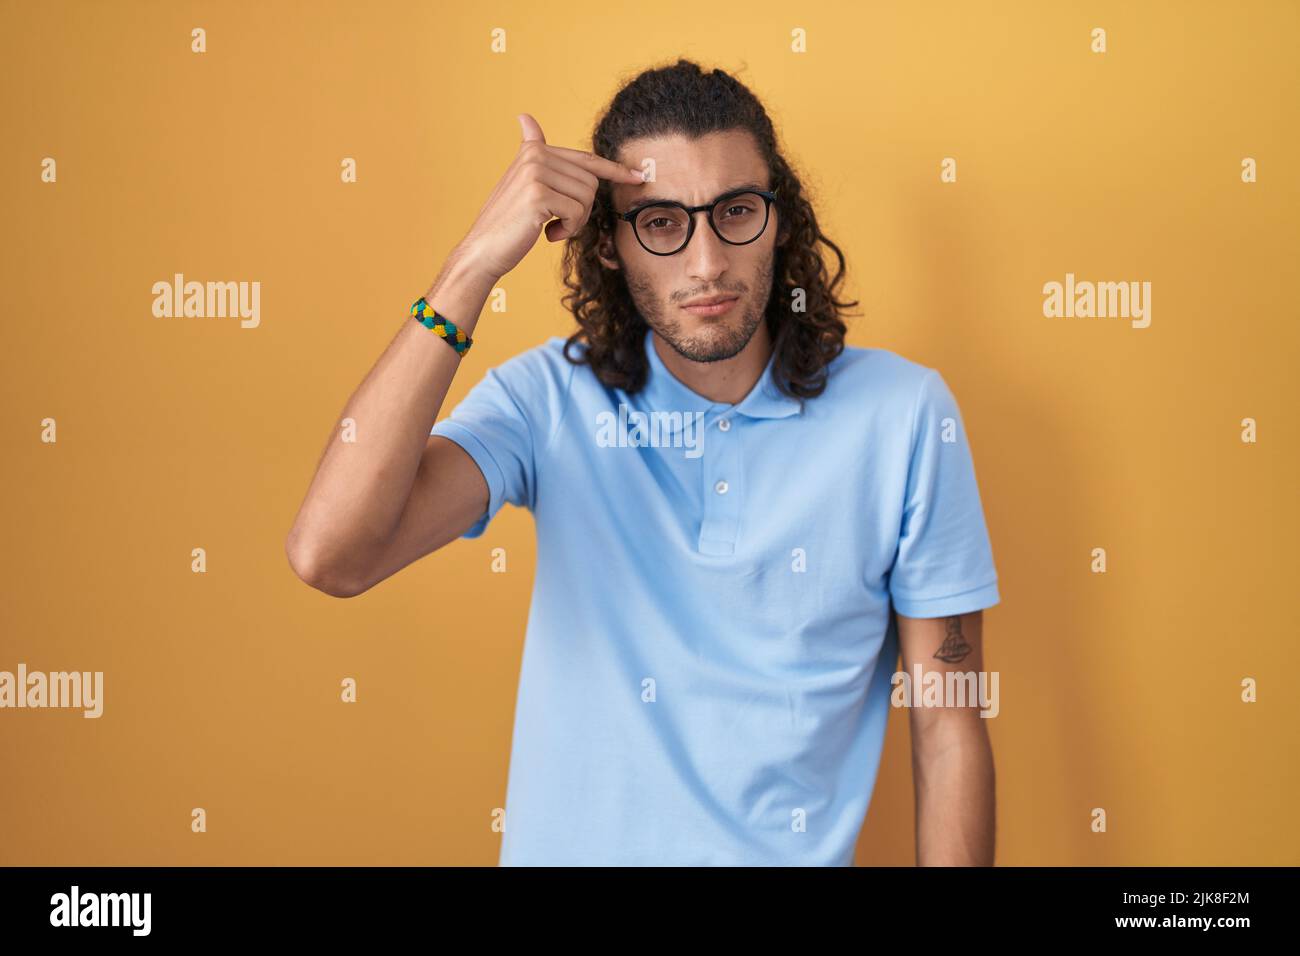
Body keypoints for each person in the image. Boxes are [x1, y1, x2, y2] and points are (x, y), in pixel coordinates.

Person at [286, 59, 1000, 866]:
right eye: (661, 222)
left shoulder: (904, 416)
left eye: (736, 211)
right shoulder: (547, 401)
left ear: (782, 221)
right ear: (613, 247)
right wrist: (472, 267)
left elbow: (947, 723)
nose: (705, 264)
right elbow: (331, 555)